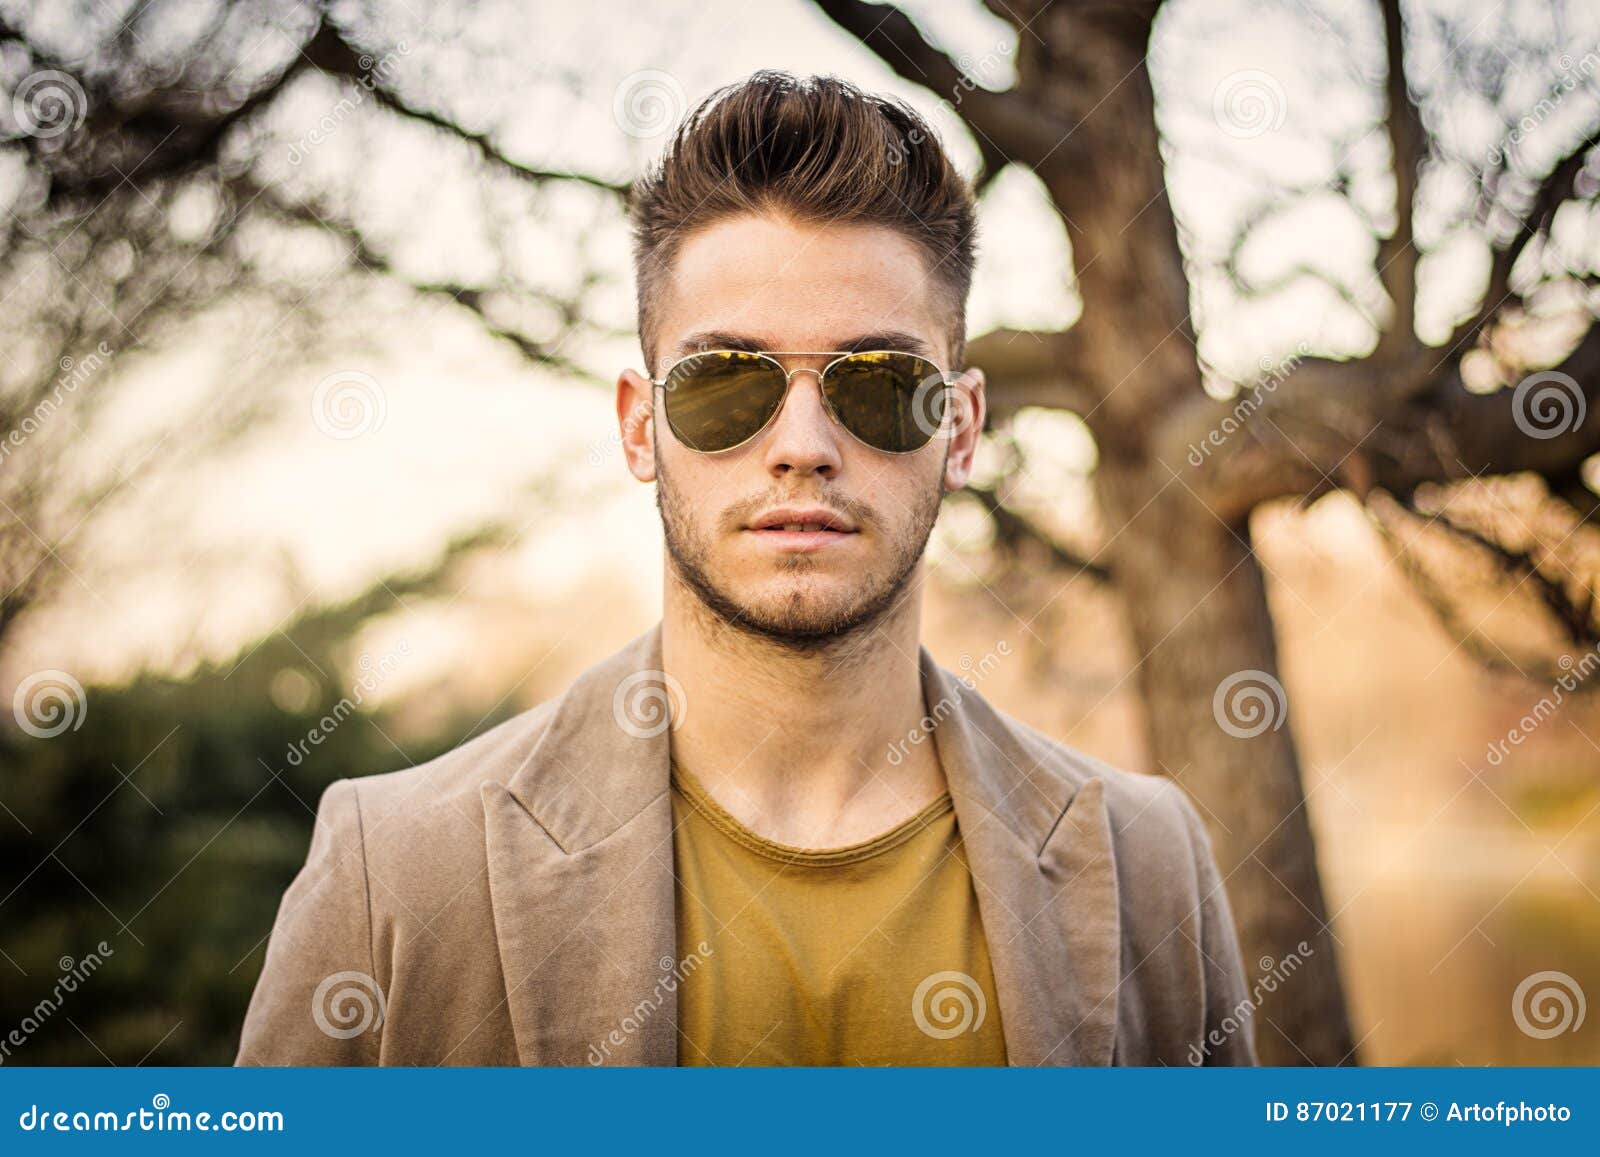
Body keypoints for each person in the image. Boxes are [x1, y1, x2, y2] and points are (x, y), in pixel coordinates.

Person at [237, 70, 1256, 1067]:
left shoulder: (1145, 860)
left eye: (880, 383)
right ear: (641, 428)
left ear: (960, 426)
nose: (801, 443)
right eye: (727, 383)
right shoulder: (400, 867)